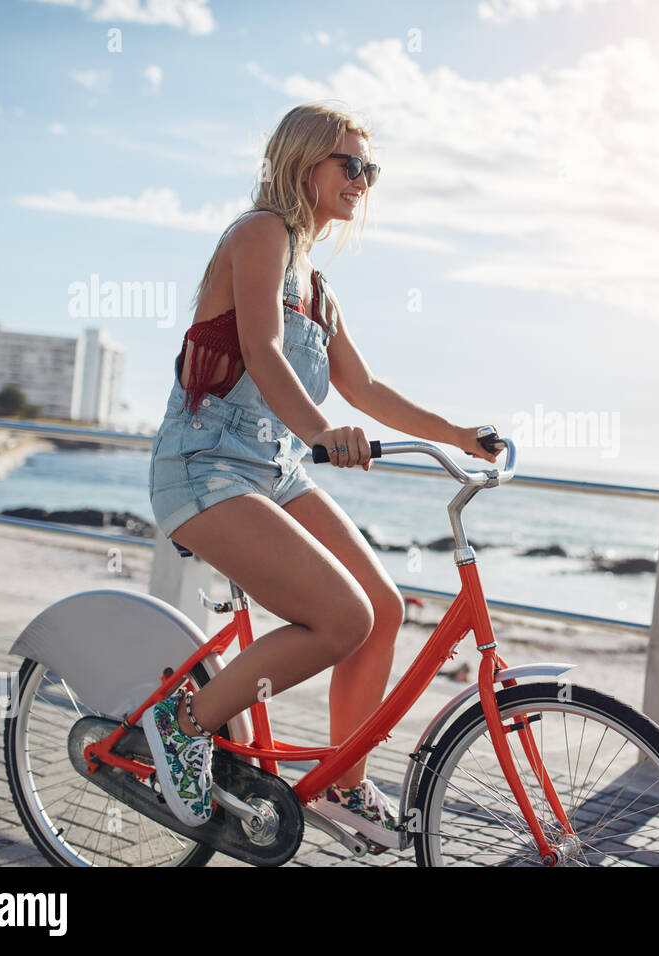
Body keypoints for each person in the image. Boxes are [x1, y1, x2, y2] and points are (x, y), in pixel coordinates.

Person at [145, 102, 499, 845]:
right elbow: (263, 349)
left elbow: (365, 390)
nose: (363, 181)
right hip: (205, 466)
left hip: (270, 469)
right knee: (341, 619)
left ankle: (342, 783)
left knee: (384, 607)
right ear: (305, 161)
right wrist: (319, 431)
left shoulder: (318, 285)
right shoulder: (260, 234)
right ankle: (182, 726)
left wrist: (458, 435)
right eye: (352, 164)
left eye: (371, 170)